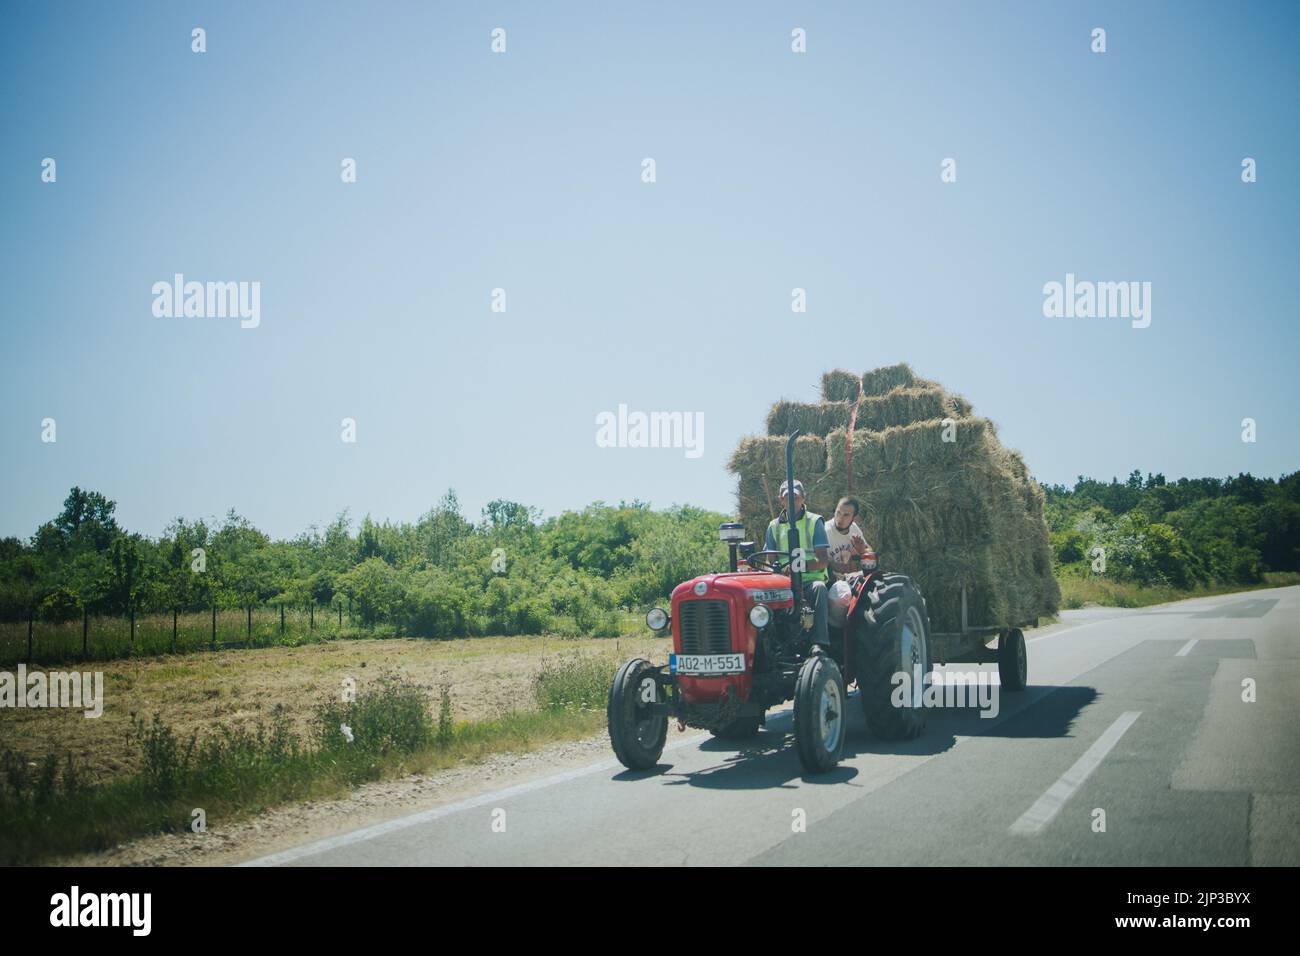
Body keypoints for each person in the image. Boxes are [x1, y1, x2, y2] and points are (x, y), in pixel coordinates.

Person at [763, 479, 831, 651]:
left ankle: (819, 643)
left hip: (809, 579)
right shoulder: (773, 526)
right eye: (787, 498)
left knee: (820, 589)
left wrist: (800, 566)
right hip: (783, 583)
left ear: (803, 499)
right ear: (781, 500)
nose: (792, 502)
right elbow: (769, 561)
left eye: (796, 497)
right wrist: (776, 570)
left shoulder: (815, 522)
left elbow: (823, 560)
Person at [826, 496, 872, 578]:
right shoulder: (825, 531)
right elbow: (822, 561)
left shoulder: (854, 528)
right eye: (838, 512)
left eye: (846, 515)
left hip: (853, 580)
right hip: (831, 582)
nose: (840, 518)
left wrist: (862, 551)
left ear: (854, 518)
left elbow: (869, 552)